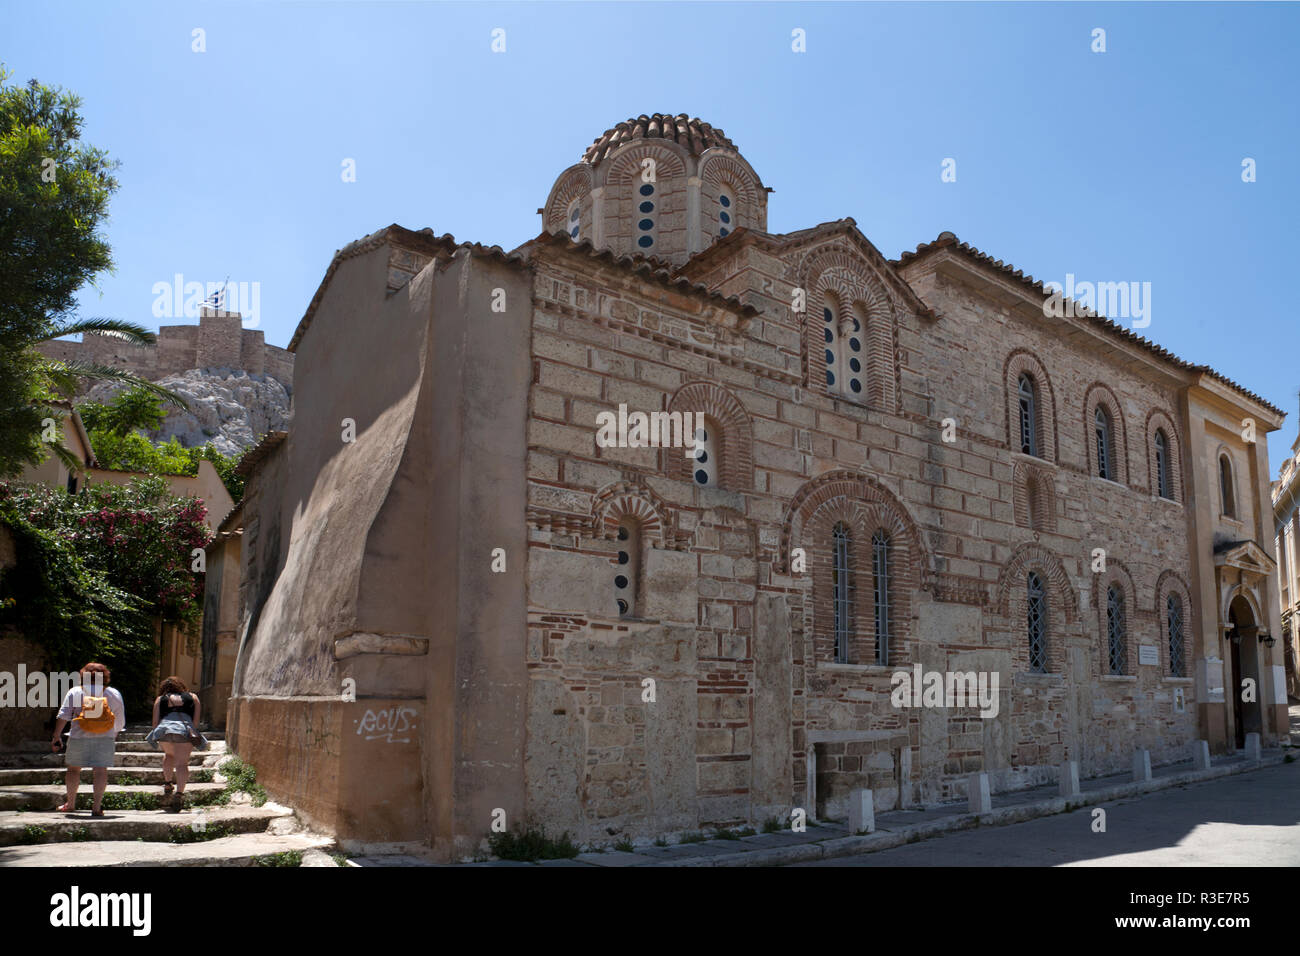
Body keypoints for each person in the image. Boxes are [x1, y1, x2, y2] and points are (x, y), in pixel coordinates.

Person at [50, 663, 126, 816]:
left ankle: (71, 804)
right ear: (105, 676)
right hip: (105, 737)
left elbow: (64, 715)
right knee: (100, 771)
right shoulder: (113, 693)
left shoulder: (76, 692)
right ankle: (96, 807)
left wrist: (56, 736)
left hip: (78, 736)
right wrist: (113, 733)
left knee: (73, 770)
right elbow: (120, 720)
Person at [145, 676, 204, 810]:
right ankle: (179, 794)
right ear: (181, 685)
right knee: (182, 763)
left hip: (164, 730)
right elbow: (195, 722)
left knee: (169, 755)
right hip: (184, 731)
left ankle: (168, 783)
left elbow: (155, 723)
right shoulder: (193, 697)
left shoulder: (160, 699)